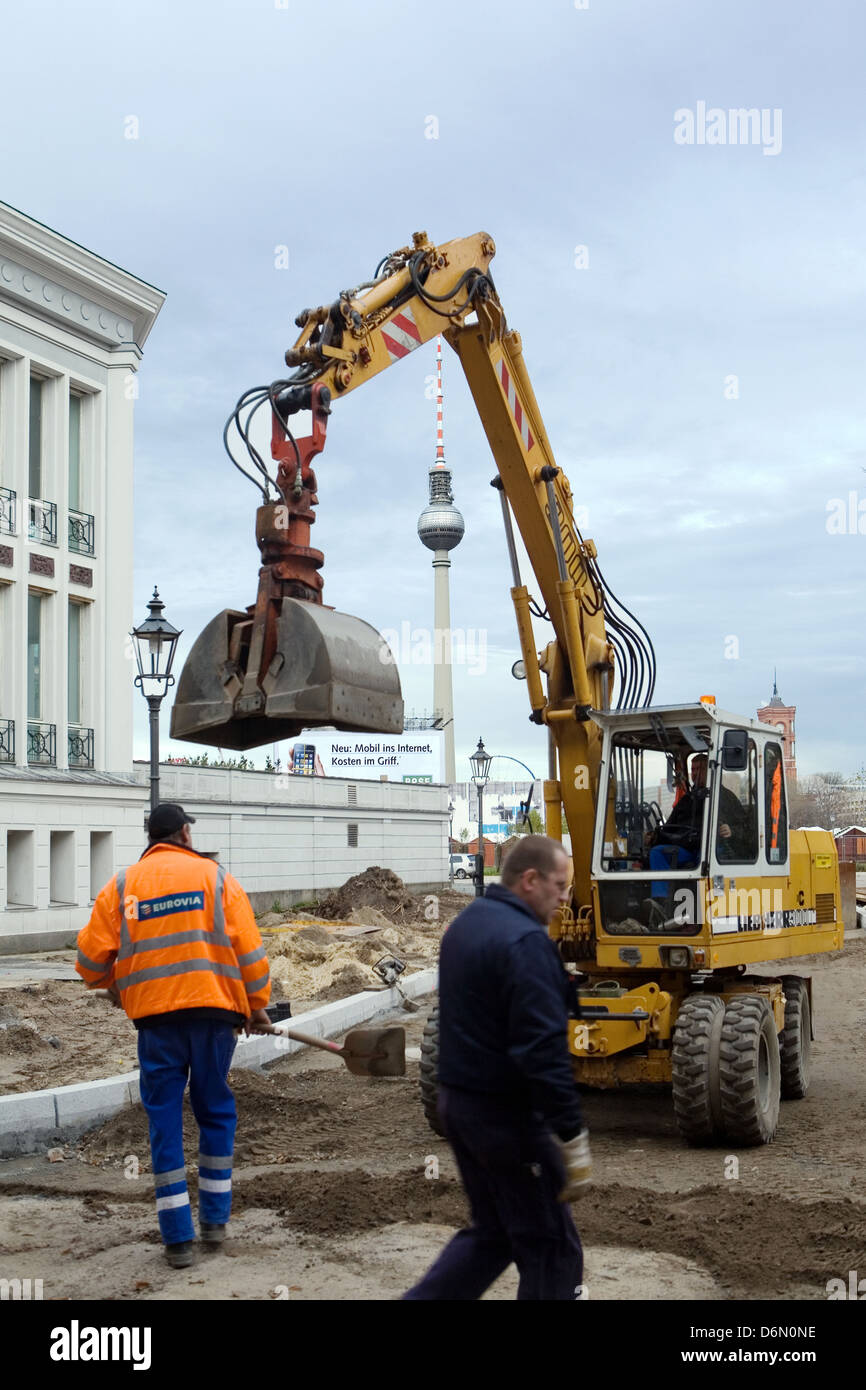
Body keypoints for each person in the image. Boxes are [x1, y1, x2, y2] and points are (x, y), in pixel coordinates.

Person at [75, 802, 271, 1269]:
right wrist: (256, 1006)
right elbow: (250, 952)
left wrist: (116, 985)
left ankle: (177, 1240)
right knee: (215, 1110)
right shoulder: (217, 878)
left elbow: (87, 963)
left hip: (156, 1024)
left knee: (163, 1117)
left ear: (150, 836)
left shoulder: (123, 886)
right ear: (185, 833)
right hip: (215, 1018)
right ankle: (215, 1224)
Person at [403, 835, 590, 1301]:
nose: (566, 898)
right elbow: (542, 1051)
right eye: (561, 885)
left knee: (494, 1234)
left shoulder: (467, 924)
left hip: (459, 1106)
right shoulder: (526, 942)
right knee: (553, 1248)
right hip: (506, 1120)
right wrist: (571, 1134)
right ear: (530, 880)